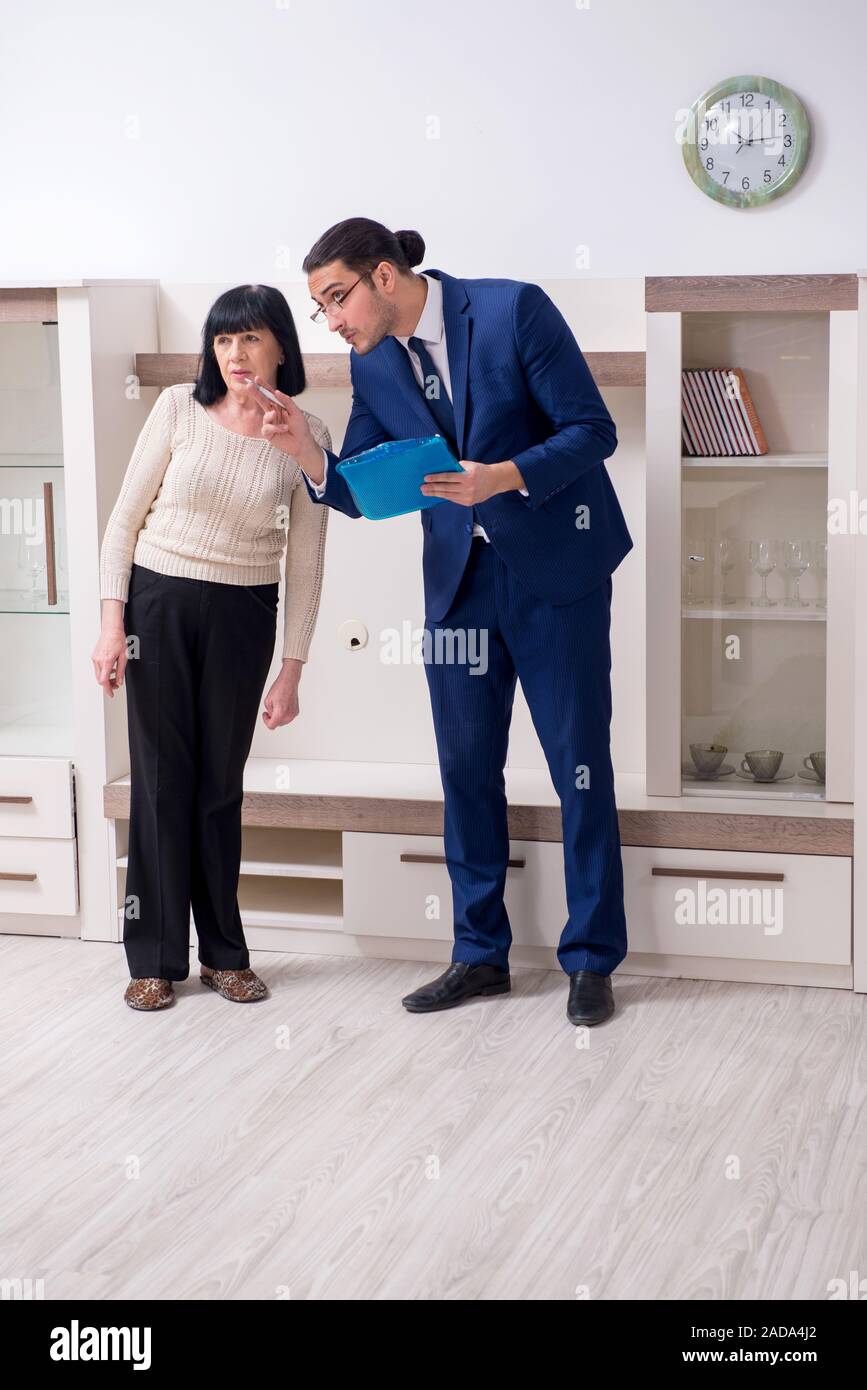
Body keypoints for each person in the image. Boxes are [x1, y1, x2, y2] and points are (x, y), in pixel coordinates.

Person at [244, 219, 633, 1026]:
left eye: (336, 298)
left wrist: (505, 477)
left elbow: (593, 431)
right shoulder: (371, 360)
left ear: (384, 276)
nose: (333, 322)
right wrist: (305, 456)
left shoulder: (511, 311)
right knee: (464, 772)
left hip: (556, 573)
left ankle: (591, 959)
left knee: (578, 768)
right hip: (458, 586)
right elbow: (362, 487)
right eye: (320, 308)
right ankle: (478, 955)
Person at [92, 285, 330, 1011]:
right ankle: (155, 960)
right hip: (157, 603)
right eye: (223, 340)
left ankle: (225, 955)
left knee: (218, 789)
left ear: (280, 347)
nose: (234, 353)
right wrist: (111, 625)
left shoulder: (304, 434)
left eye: (250, 339)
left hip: (244, 612)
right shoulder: (176, 410)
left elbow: (308, 563)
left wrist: (291, 671)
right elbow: (123, 521)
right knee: (161, 783)